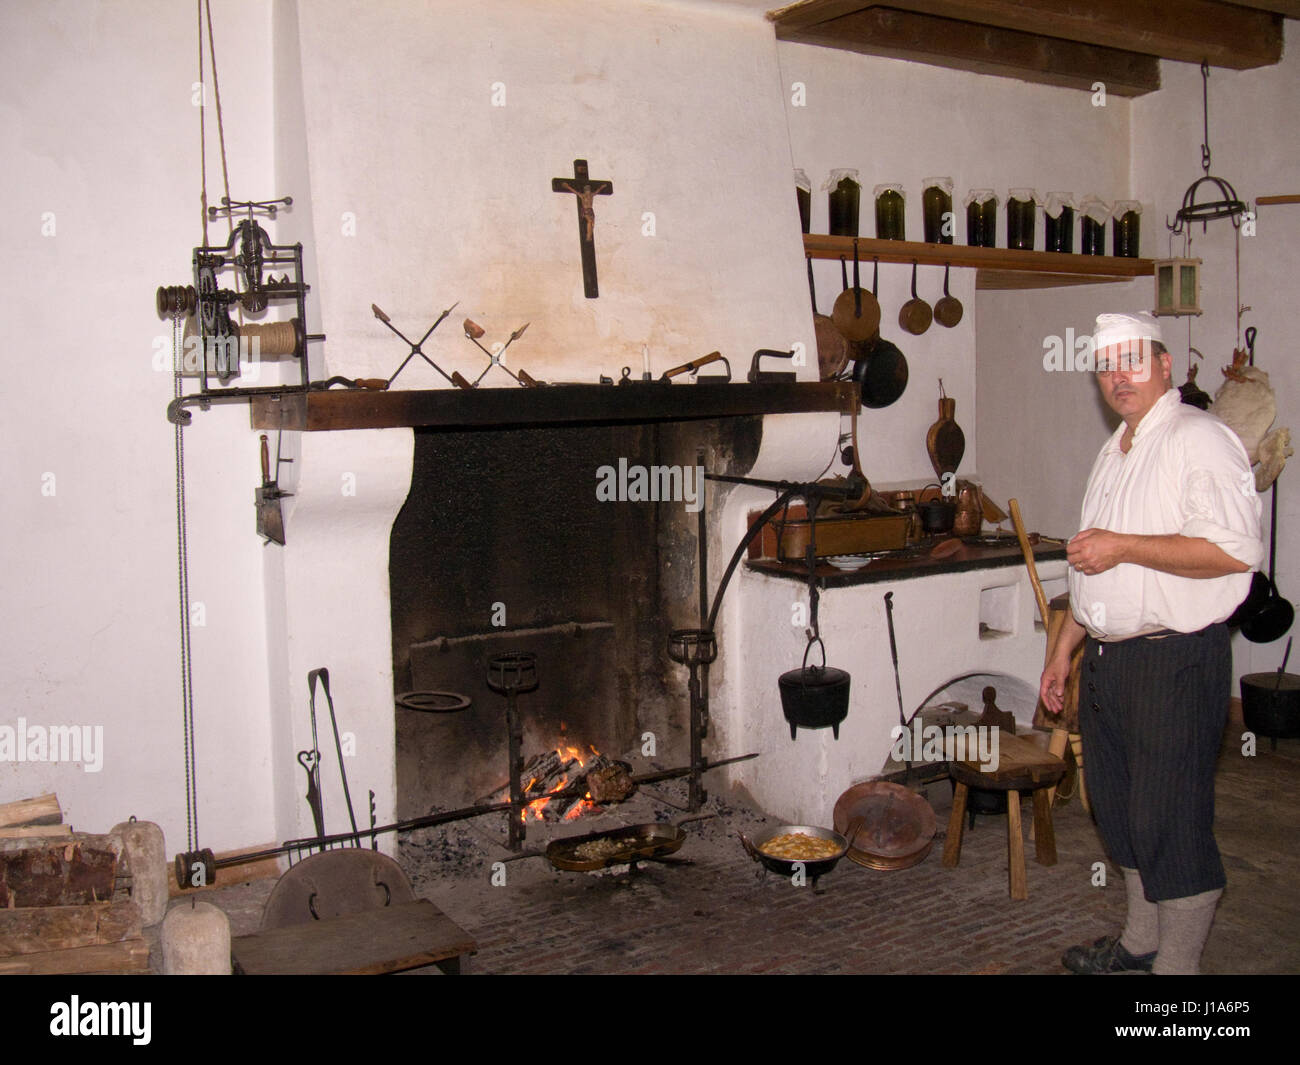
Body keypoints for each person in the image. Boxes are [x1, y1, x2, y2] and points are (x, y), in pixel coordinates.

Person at [1040, 311, 1263, 975]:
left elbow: (1231, 552)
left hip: (1175, 658)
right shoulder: (1118, 449)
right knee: (1120, 809)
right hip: (1110, 659)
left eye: (1133, 361)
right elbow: (1091, 560)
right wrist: (1062, 651)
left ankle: (1177, 970)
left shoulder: (1201, 438)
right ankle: (1140, 943)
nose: (1118, 377)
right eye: (1106, 366)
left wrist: (1124, 545)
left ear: (1167, 366)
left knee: (1170, 816)